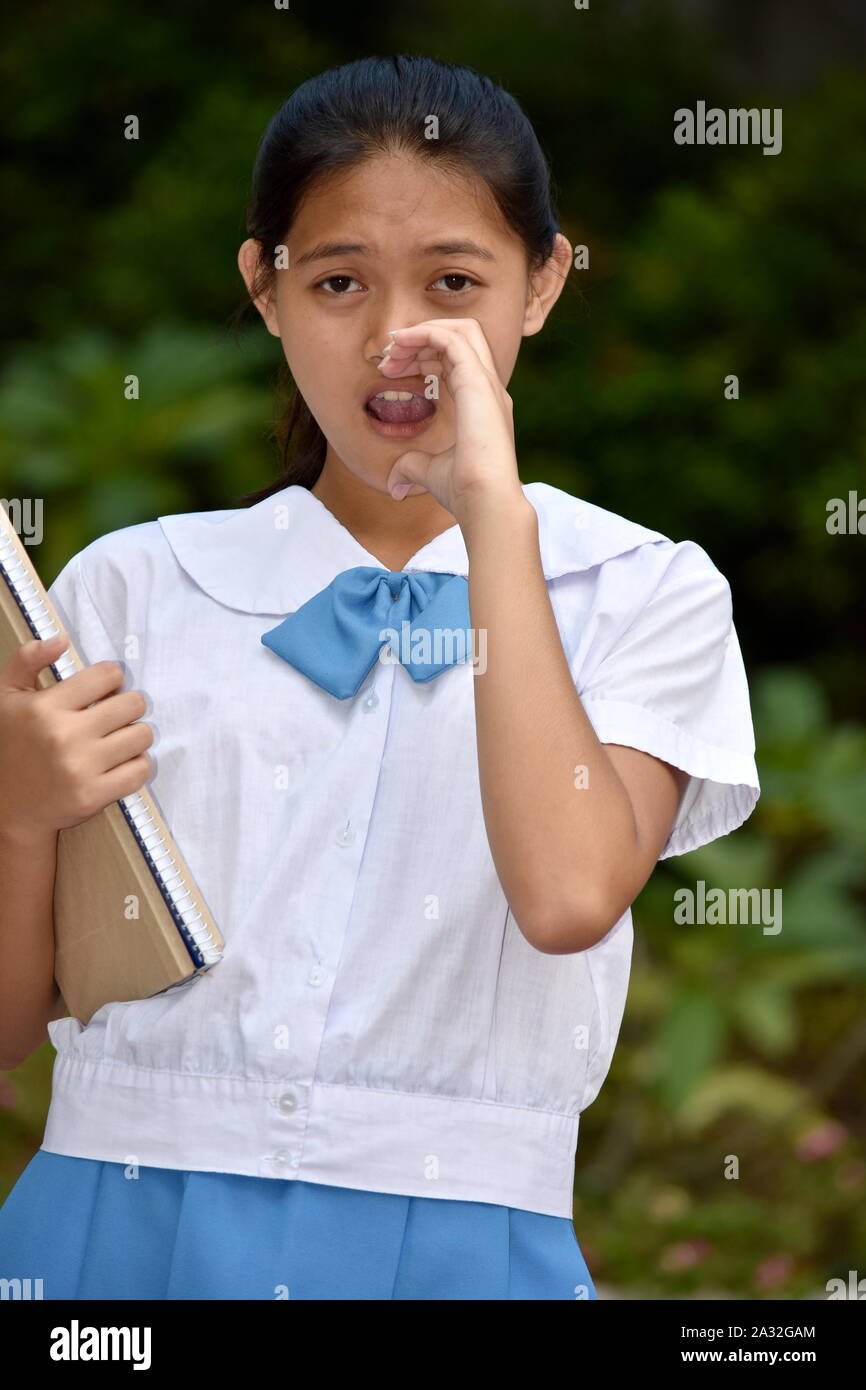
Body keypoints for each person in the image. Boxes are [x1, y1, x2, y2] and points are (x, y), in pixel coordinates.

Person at [0, 54, 760, 1300]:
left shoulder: (641, 590)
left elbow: (569, 895)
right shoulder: (132, 587)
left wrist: (494, 524)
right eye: (338, 280)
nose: (396, 339)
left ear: (545, 282)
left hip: (463, 1251)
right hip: (111, 1237)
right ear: (264, 287)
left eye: (453, 283)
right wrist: (19, 811)